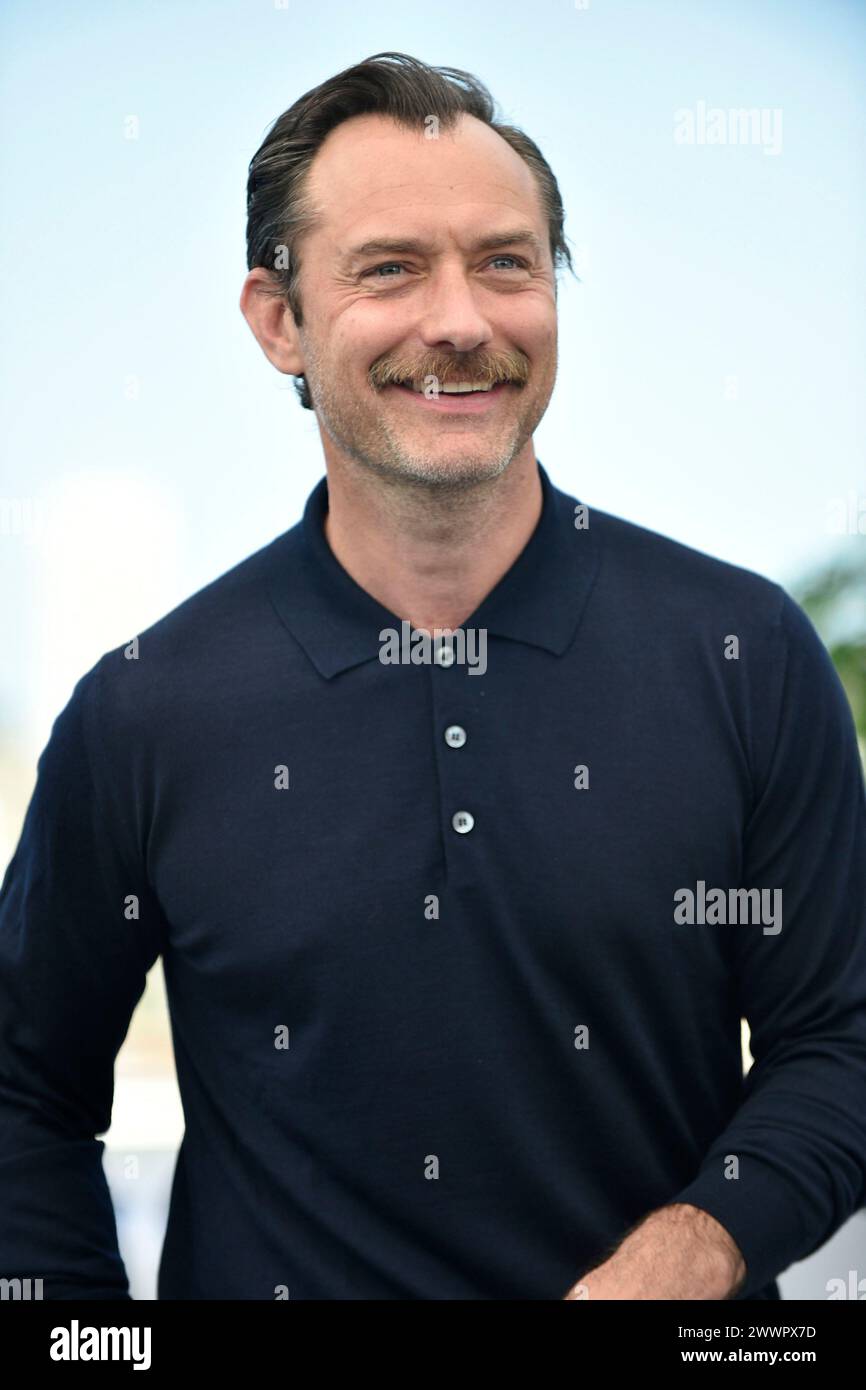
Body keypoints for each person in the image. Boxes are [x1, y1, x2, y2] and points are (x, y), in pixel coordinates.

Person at [1, 51, 864, 1301]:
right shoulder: (146, 709)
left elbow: (837, 1040)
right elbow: (26, 1096)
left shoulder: (742, 655)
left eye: (505, 261)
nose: (460, 319)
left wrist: (691, 1252)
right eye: (390, 268)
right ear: (277, 319)